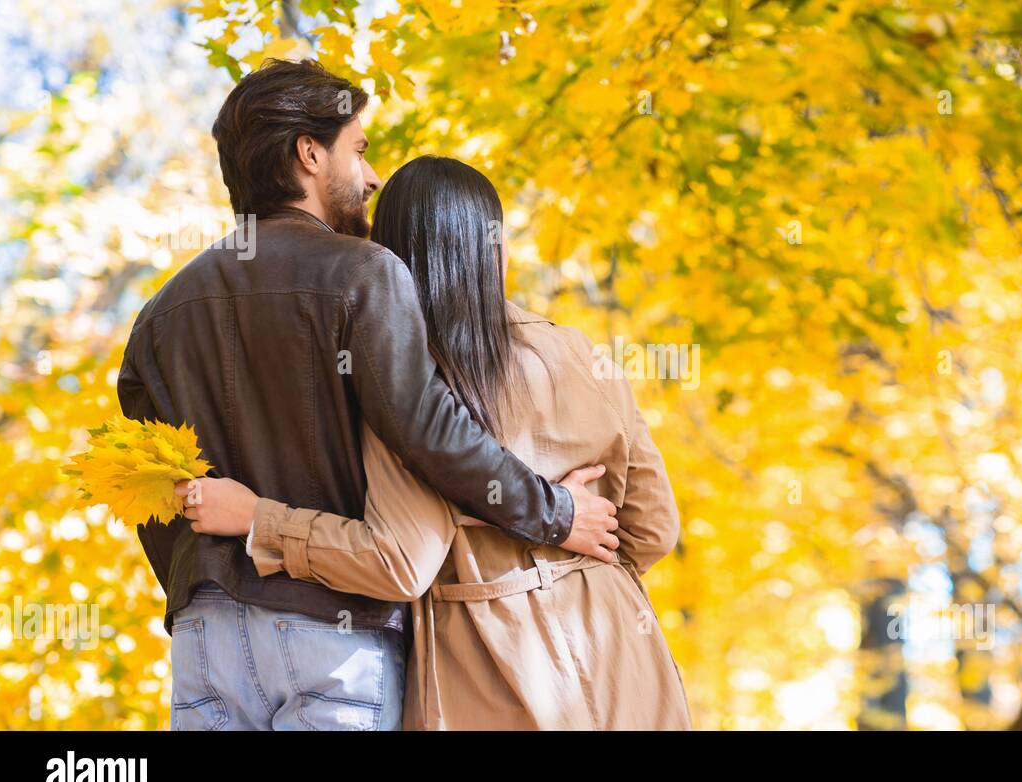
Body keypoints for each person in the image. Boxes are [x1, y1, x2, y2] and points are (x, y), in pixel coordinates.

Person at [117, 60, 619, 731]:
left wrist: (193, 588)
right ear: (309, 153)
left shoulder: (160, 312)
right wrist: (554, 510)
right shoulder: (363, 272)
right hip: (331, 629)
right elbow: (429, 432)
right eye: (359, 149)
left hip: (205, 636)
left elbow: (148, 488)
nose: (374, 175)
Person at [181, 156, 691, 730]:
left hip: (493, 673)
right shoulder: (582, 354)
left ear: (390, 259)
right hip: (626, 662)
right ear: (493, 248)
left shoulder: (403, 383)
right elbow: (652, 529)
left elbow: (396, 561)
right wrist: (557, 545)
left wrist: (259, 518)